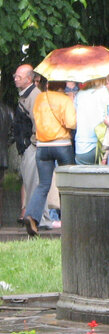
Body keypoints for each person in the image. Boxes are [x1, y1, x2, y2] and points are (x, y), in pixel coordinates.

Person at [25, 76, 76, 236]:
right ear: (64, 86)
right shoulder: (65, 99)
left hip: (42, 146)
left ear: (48, 84)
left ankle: (31, 216)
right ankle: (70, 221)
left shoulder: (40, 98)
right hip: (62, 145)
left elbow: (35, 117)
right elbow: (71, 123)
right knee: (67, 184)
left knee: (43, 185)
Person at [12, 64, 41, 224]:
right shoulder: (26, 94)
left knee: (33, 183)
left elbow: (37, 121)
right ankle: (36, 219)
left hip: (31, 146)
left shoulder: (34, 95)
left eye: (19, 77)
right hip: (27, 146)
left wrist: (32, 143)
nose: (16, 79)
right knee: (30, 182)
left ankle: (36, 220)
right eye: (15, 76)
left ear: (29, 79)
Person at [73, 78, 109, 164]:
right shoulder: (107, 93)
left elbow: (73, 118)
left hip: (82, 144)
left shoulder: (80, 94)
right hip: (102, 142)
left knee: (83, 176)